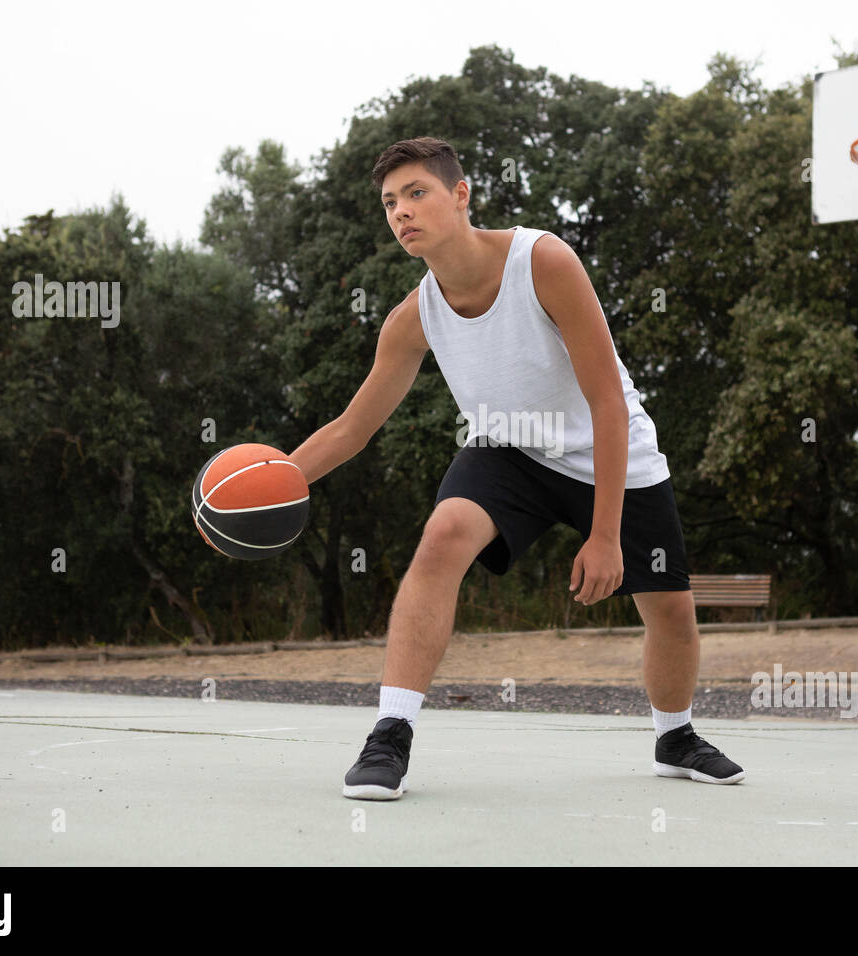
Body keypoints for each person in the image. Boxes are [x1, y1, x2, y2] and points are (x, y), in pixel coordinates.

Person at [286, 136, 744, 800]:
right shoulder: (413, 318)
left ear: (461, 195)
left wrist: (606, 534)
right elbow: (353, 428)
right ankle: (391, 733)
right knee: (442, 537)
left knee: (671, 610)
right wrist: (270, 489)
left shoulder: (544, 261)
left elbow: (607, 402)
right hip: (510, 449)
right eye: (390, 203)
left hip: (607, 448)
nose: (401, 213)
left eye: (417, 194)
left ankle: (675, 736)